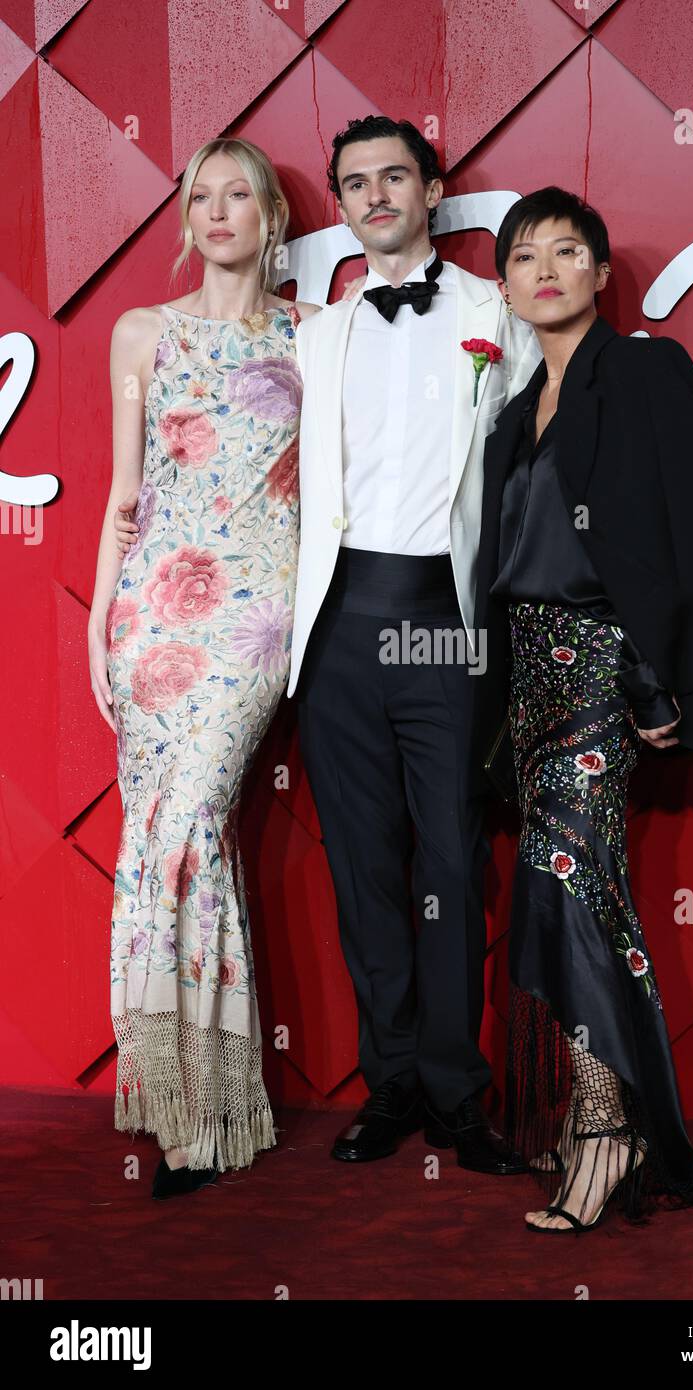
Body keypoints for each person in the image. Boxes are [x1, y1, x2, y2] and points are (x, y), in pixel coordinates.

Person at [471, 185, 693, 1232]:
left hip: (596, 664)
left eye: (567, 251)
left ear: (598, 274)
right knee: (562, 892)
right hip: (525, 673)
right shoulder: (504, 417)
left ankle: (604, 1132)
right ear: (502, 285)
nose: (545, 269)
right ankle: (607, 1119)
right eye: (524, 256)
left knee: (567, 884)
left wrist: (660, 669)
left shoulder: (640, 370)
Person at [286, 116, 544, 1173]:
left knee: (448, 859)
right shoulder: (319, 332)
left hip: (443, 620)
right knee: (364, 870)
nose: (375, 194)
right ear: (341, 204)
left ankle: (454, 1090)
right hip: (340, 617)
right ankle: (387, 1084)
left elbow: (535, 479)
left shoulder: (497, 314)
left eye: (395, 175)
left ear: (433, 188)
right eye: (355, 182)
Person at [91, 137, 324, 1199]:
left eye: (241, 194)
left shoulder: (318, 337)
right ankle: (186, 1107)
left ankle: (210, 1103)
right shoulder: (143, 333)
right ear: (185, 219)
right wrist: (101, 624)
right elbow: (123, 495)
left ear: (272, 216)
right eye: (202, 195)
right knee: (157, 840)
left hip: (252, 626)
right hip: (150, 618)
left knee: (188, 827)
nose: (219, 210)